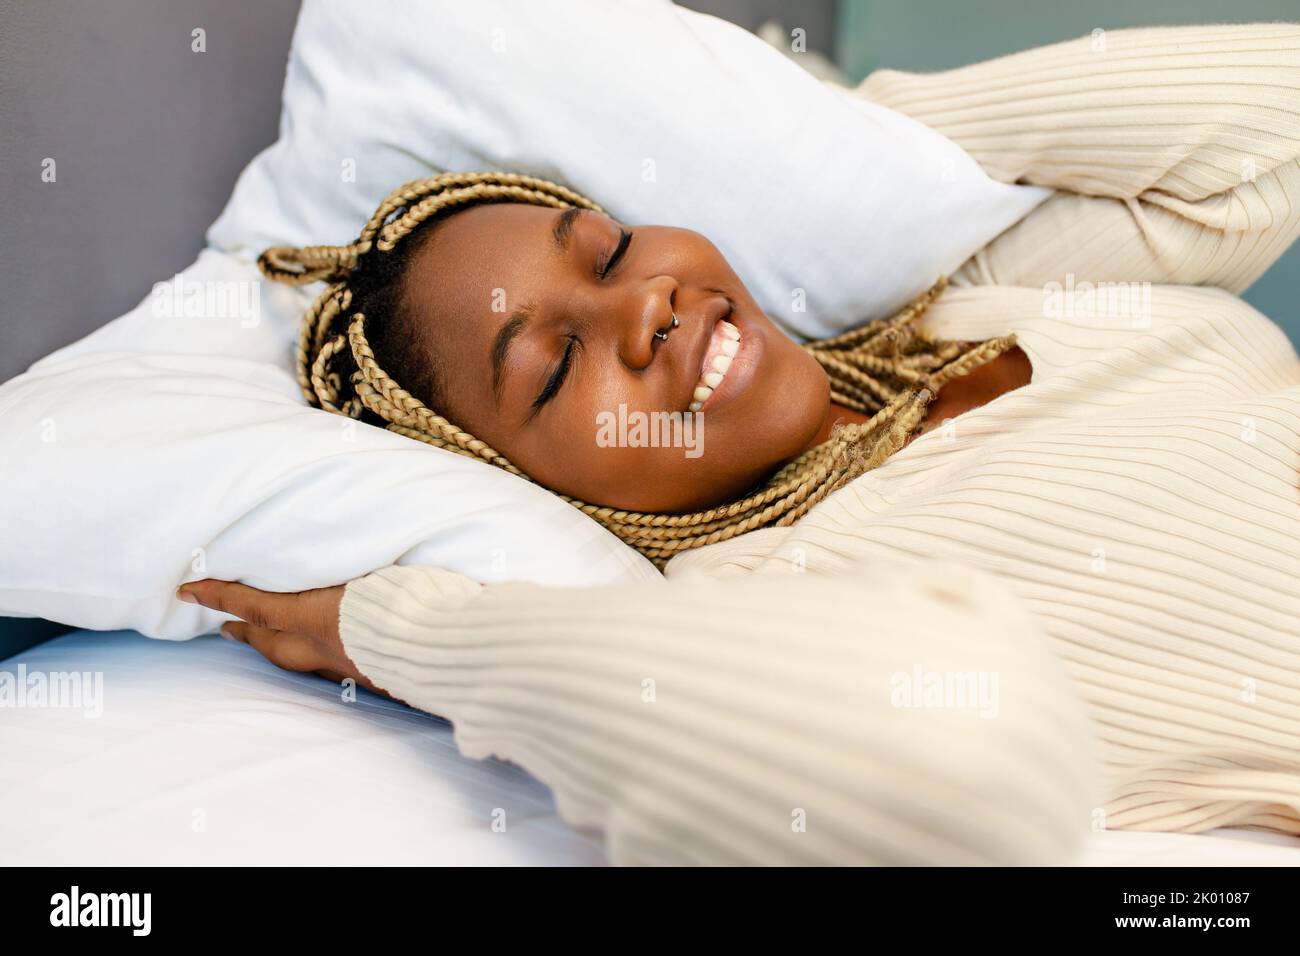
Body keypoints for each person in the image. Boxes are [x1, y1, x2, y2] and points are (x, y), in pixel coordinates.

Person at [179, 23, 1300, 864]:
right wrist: (413, 636)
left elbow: (1270, 126)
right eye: (557, 366)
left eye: (613, 251)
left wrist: (845, 149)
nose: (648, 303)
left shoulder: (961, 310)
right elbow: (972, 754)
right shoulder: (750, 607)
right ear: (523, 487)